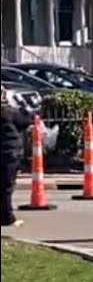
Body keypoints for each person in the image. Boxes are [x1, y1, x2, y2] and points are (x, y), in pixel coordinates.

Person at [1, 87, 31, 227]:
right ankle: (7, 217)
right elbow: (26, 120)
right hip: (9, 154)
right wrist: (23, 105)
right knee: (7, 187)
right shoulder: (10, 113)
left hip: (6, 153)